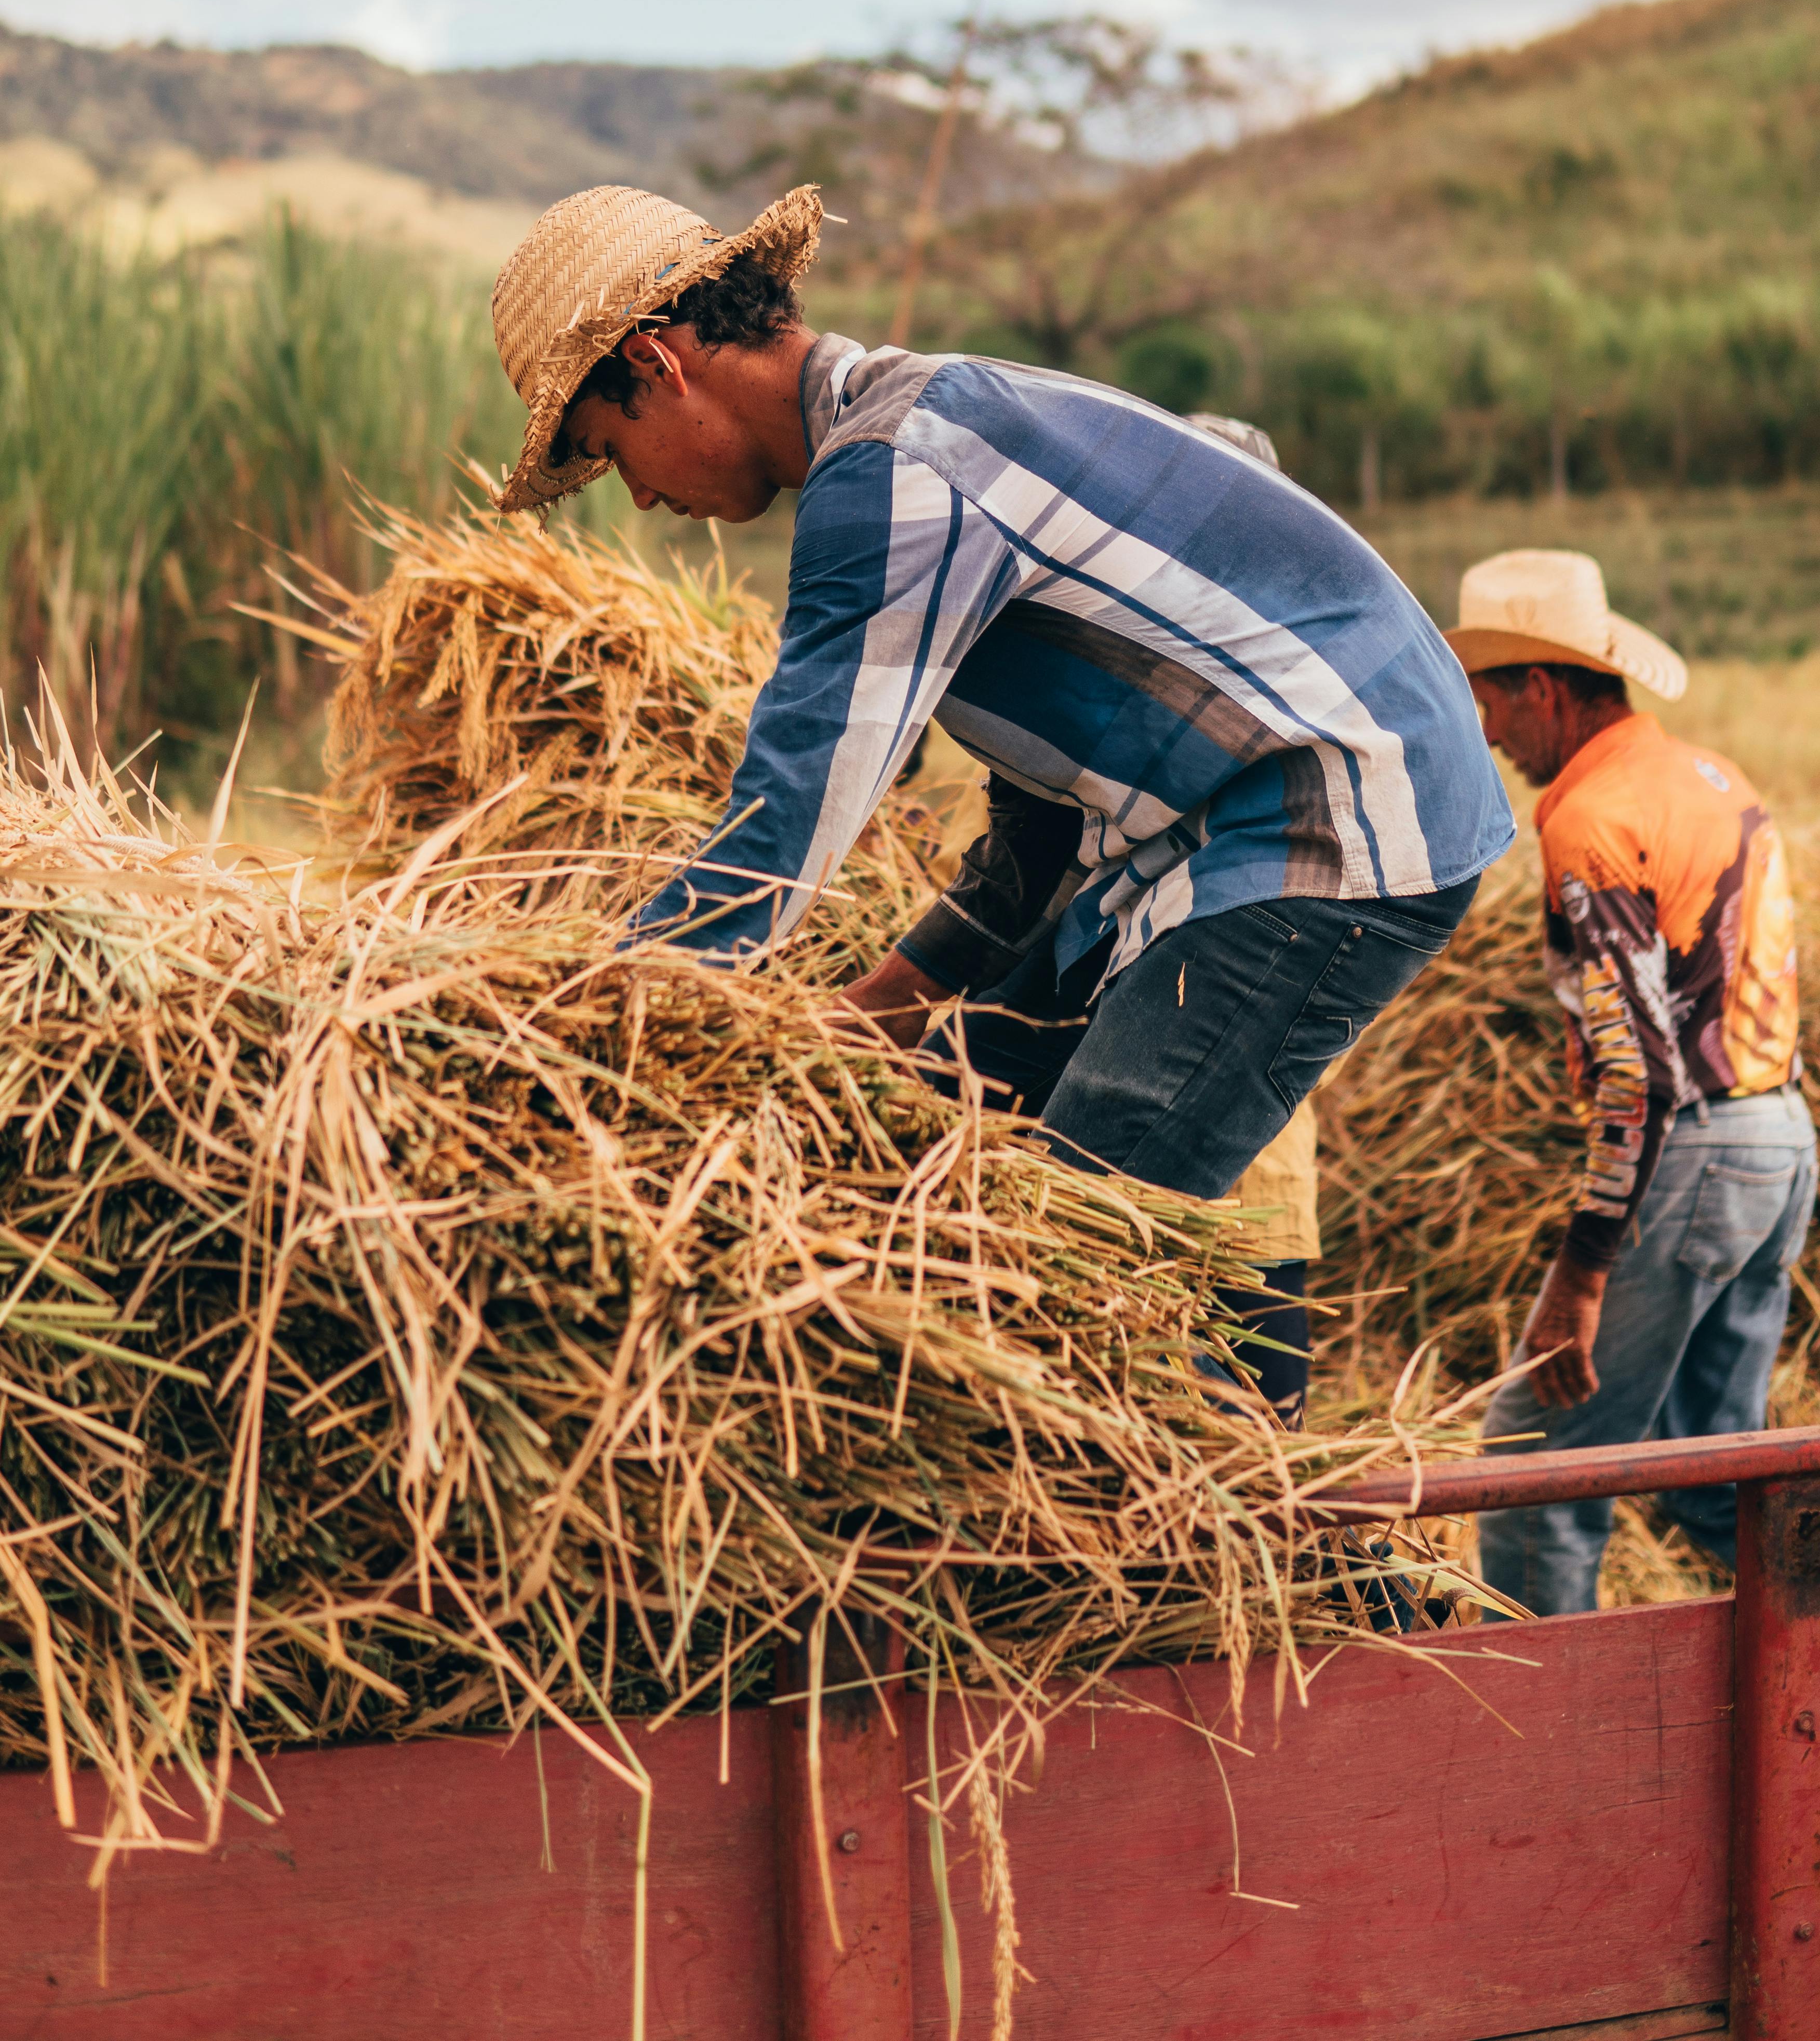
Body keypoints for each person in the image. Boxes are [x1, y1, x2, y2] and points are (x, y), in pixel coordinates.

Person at [488, 181, 1513, 1281]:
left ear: (656, 363)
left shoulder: (898, 473)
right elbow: (1040, 830)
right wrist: (882, 1006)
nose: (638, 497)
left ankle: (1199, 1443)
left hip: (1332, 817)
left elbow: (788, 818)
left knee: (1069, 1243)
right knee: (944, 1119)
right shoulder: (941, 432)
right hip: (1211, 833)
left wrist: (596, 1030)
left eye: (611, 449)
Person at [1447, 546, 1820, 1819]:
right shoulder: (1706, 780)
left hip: (1692, 1154)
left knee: (1535, 1463)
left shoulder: (1587, 820)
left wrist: (1576, 1276)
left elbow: (1633, 1076)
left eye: (1496, 696)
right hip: (1776, 1138)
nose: (1491, 727)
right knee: (1717, 1472)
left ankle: (1549, 1790)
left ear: (1551, 689)